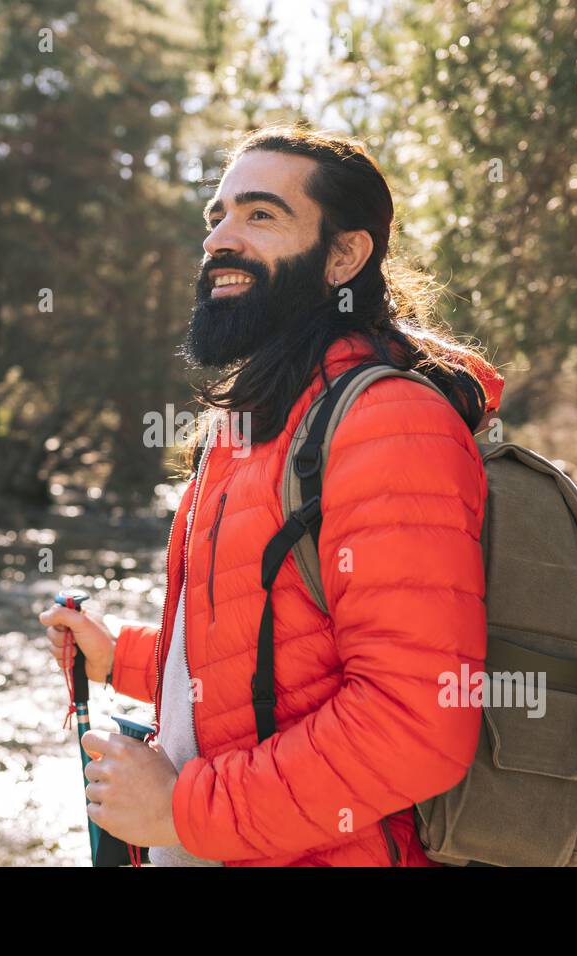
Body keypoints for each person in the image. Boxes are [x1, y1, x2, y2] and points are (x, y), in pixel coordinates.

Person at [38, 125, 505, 867]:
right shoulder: (251, 428)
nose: (220, 239)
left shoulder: (391, 423)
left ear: (345, 255)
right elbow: (262, 657)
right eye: (216, 216)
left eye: (261, 215)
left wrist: (182, 809)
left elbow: (417, 724)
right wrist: (118, 658)